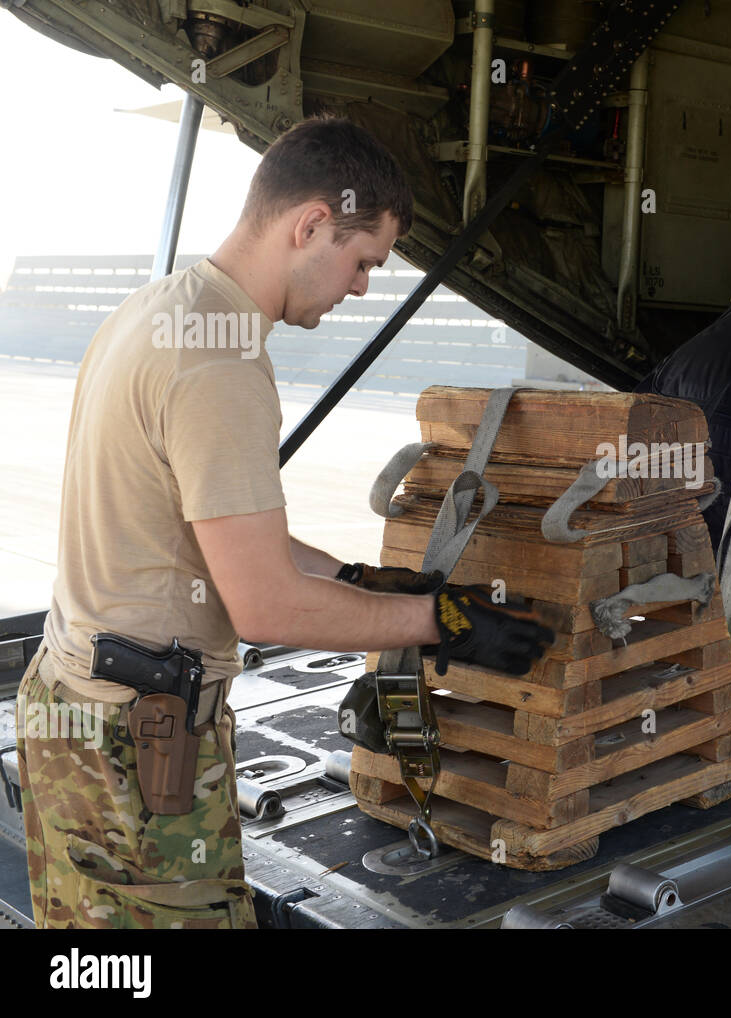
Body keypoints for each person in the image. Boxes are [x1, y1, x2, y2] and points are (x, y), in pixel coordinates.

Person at [14, 115, 553, 929]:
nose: (363, 286)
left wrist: (358, 580)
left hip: (76, 709)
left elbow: (211, 530)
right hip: (135, 746)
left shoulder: (165, 310)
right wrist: (444, 622)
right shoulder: (219, 367)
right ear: (310, 224)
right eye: (363, 259)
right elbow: (263, 604)